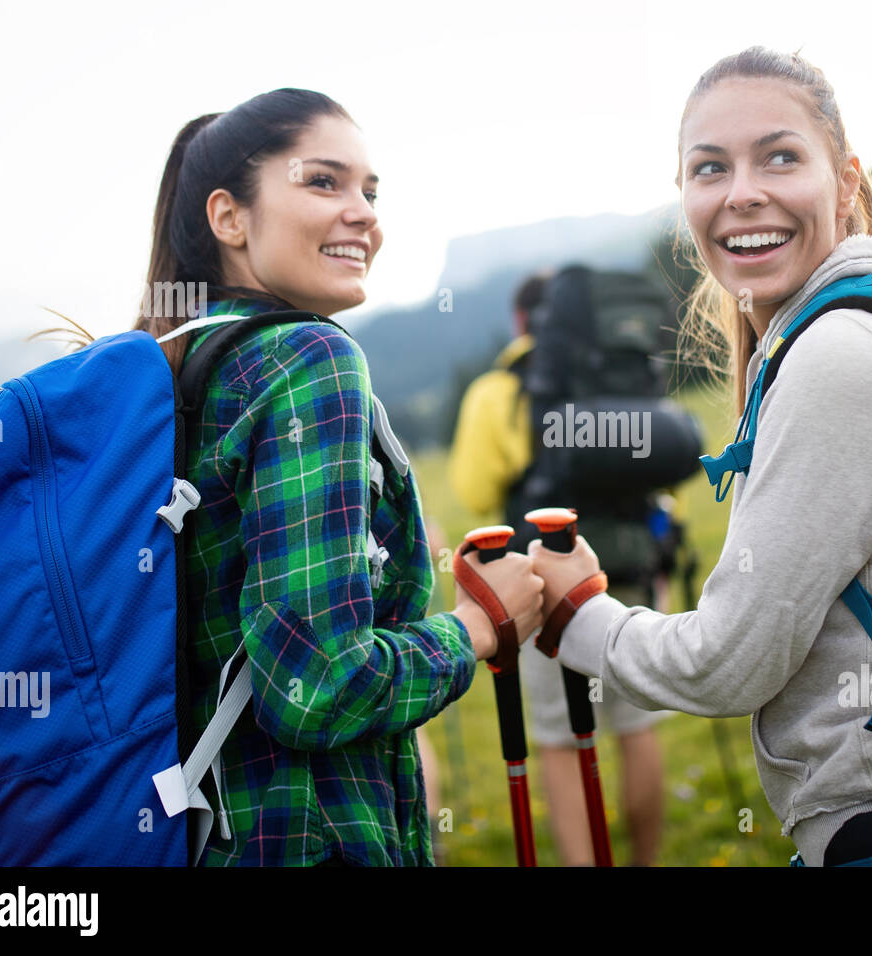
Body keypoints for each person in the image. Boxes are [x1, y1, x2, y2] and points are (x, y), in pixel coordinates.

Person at [528, 47, 872, 867]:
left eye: (779, 156)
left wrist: (576, 614)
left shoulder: (841, 357)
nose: (742, 191)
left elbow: (727, 666)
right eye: (710, 168)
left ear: (846, 181)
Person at [134, 88, 543, 866]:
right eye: (324, 182)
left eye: (371, 190)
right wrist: (478, 630)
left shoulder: (174, 365)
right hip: (309, 836)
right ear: (230, 218)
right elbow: (316, 684)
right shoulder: (308, 359)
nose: (364, 213)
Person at [449, 274, 668, 866]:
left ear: (523, 322)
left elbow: (474, 487)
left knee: (561, 742)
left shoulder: (500, 390)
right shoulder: (619, 376)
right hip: (629, 572)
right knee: (635, 729)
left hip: (547, 594)